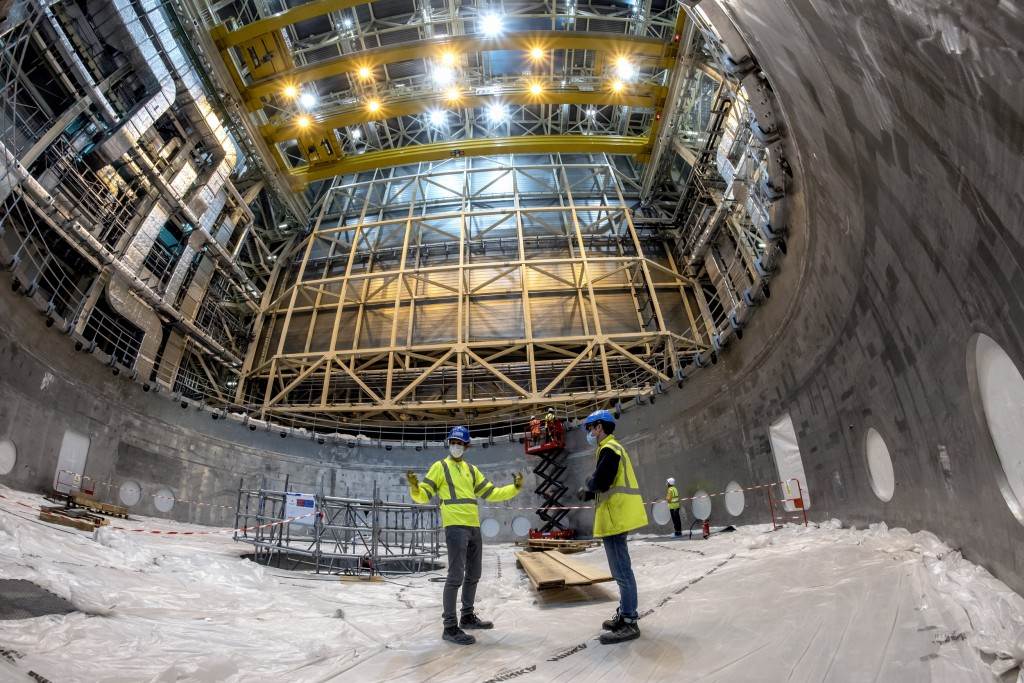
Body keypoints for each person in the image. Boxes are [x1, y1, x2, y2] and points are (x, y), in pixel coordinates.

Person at [406, 425, 523, 645]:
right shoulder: (439, 467)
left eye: (459, 443)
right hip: (455, 527)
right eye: (453, 442)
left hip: (473, 526)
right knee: (455, 576)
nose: (456, 446)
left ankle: (467, 616)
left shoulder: (471, 470)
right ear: (448, 443)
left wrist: (514, 488)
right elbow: (423, 495)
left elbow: (491, 492)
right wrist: (415, 487)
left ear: (466, 446)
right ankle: (450, 627)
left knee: (474, 573)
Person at [576, 409, 648, 644]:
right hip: (614, 516)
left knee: (622, 573)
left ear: (600, 427)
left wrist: (589, 484)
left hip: (616, 516)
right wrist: (590, 492)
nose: (589, 433)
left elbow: (602, 481)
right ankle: (625, 614)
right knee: (621, 572)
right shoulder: (608, 449)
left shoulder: (610, 448)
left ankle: (629, 621)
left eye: (590, 428)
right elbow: (605, 483)